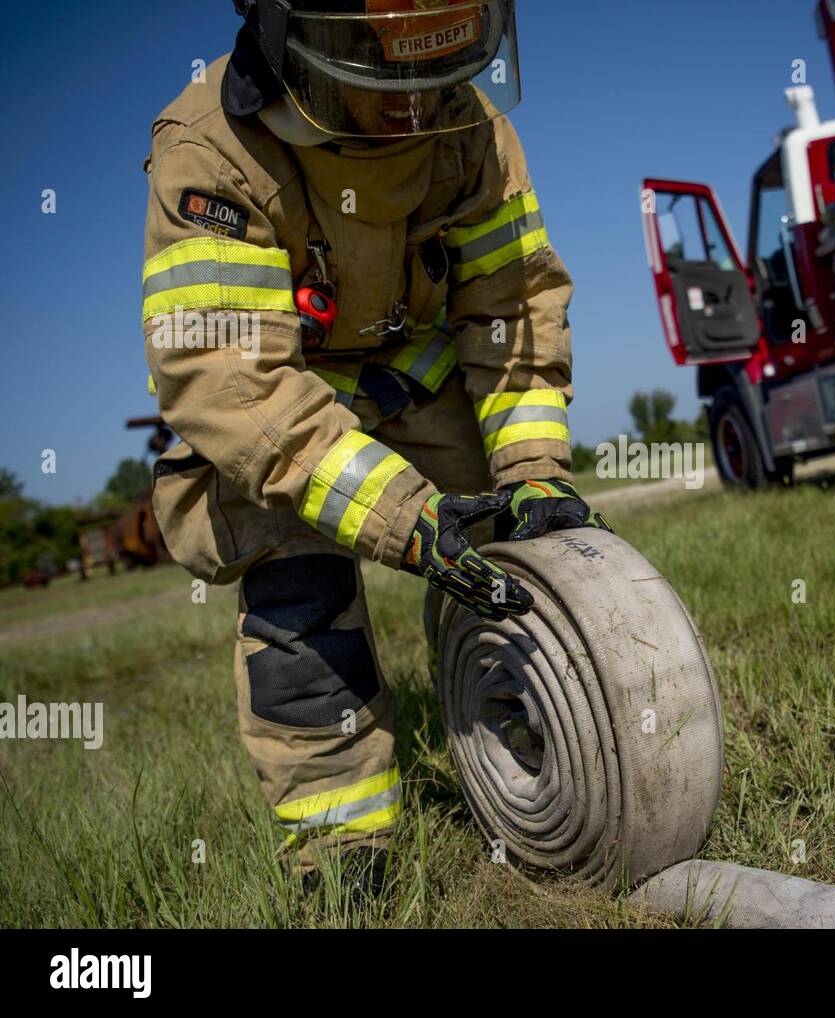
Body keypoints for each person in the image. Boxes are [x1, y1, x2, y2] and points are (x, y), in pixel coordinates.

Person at [141, 0, 608, 890]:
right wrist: (407, 518)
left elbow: (510, 308)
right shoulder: (211, 149)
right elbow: (235, 384)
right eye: (376, 62)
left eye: (438, 59)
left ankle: (544, 738)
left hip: (422, 385)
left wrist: (535, 474)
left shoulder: (467, 126)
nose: (414, 106)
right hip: (284, 413)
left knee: (525, 540)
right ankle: (342, 857)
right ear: (297, 39)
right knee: (302, 606)